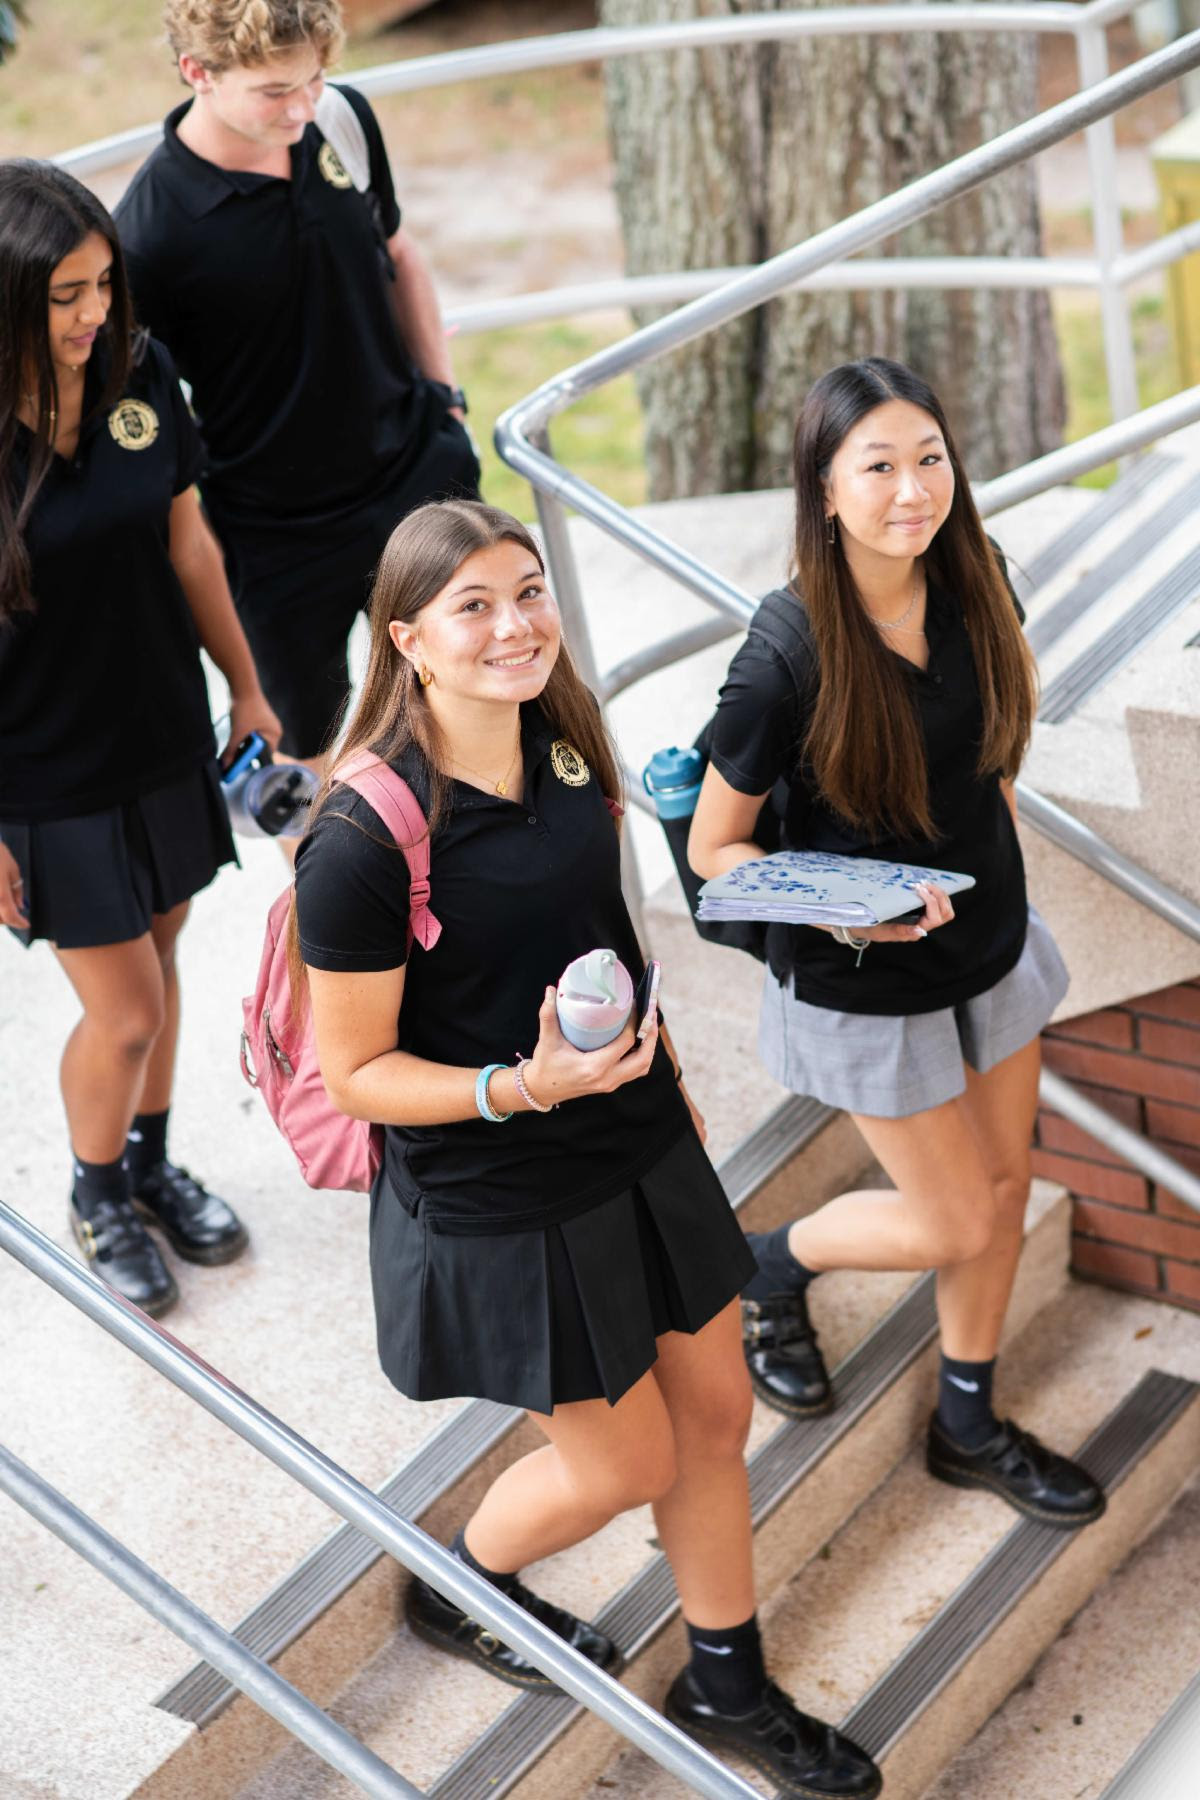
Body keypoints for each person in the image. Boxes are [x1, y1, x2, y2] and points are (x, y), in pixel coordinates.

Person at [292, 499, 881, 1800]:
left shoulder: (564, 750)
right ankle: (466, 1578)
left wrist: (659, 1084)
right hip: (505, 1188)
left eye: (530, 590)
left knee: (719, 1416)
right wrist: (523, 1084)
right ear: (409, 641)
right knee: (630, 1463)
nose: (516, 626)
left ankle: (728, 1677)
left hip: (638, 1143)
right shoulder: (359, 840)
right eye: (475, 607)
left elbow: (602, 933)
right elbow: (358, 1076)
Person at [690, 357, 1105, 1530]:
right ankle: (770, 1262)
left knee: (1010, 1183)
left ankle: (967, 1422)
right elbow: (715, 854)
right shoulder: (784, 657)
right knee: (958, 1216)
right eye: (877, 466)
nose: (913, 488)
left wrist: (999, 879)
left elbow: (994, 761)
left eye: (929, 457)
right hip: (867, 984)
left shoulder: (975, 586)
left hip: (990, 945)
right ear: (824, 491)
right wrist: (840, 902)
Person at [0, 160, 281, 1316]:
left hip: (163, 738)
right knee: (125, 1012)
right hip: (40, 775)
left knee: (160, 973)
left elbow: (191, 547)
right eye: (64, 295)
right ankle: (98, 1190)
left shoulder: (137, 376)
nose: (93, 316)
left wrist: (249, 691)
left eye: (103, 285)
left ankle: (153, 1162)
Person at [114, 0, 480, 780]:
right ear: (197, 73)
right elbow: (139, 414)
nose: (304, 106)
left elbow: (399, 254)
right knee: (307, 763)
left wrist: (446, 404)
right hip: (276, 537)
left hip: (417, 476)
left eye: (315, 79)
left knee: (477, 699)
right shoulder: (150, 234)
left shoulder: (340, 120)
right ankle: (343, 904)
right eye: (275, 90)